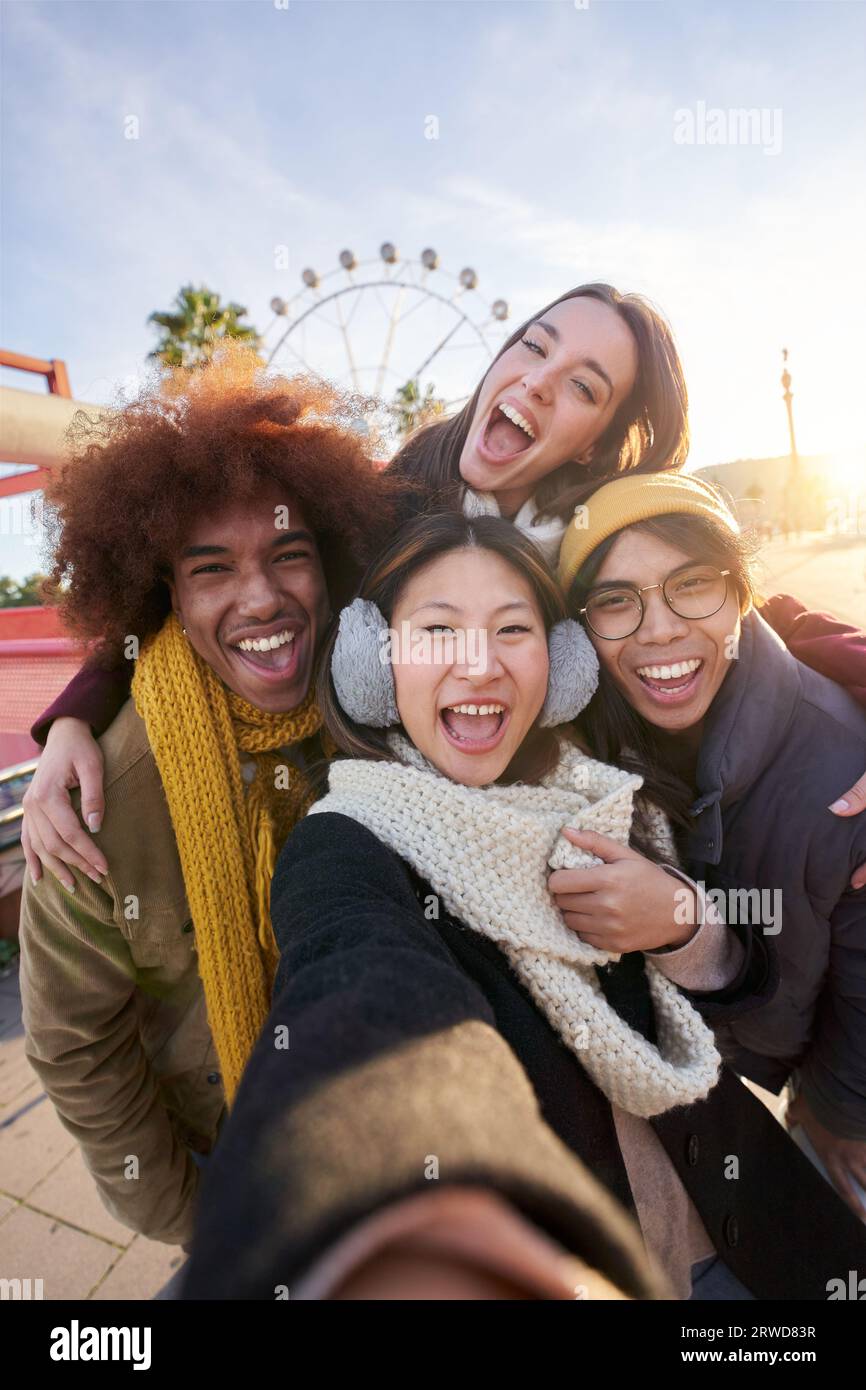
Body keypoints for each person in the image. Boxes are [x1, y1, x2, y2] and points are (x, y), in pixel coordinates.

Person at [181, 512, 866, 1300]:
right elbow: (357, 984)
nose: (478, 666)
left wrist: (682, 925)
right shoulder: (344, 847)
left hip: (747, 1230)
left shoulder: (605, 789)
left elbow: (742, 984)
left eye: (513, 629)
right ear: (378, 663)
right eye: (438, 630)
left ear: (562, 663)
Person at [20, 284, 866, 887]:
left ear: (591, 441)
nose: (539, 378)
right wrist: (76, 714)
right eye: (534, 344)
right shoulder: (371, 509)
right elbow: (213, 584)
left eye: (582, 386)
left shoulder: (593, 539)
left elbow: (742, 603)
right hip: (384, 847)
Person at [17, 347, 392, 1246]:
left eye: (288, 556)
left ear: (329, 562)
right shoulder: (101, 794)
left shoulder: (385, 710)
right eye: (213, 569)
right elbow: (75, 1045)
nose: (260, 599)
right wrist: (185, 1212)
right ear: (167, 600)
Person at [554, 471, 866, 1218]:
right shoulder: (576, 750)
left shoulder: (843, 771)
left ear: (742, 592)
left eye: (692, 585)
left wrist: (841, 1115)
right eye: (615, 601)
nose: (658, 629)